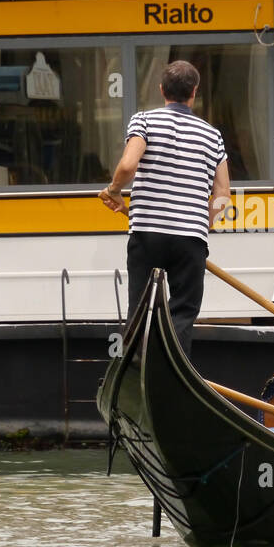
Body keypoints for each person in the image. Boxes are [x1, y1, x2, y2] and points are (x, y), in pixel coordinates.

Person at [99, 60, 231, 356]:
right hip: (190, 239)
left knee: (140, 308)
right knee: (182, 313)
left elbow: (128, 165)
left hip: (148, 234)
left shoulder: (143, 120)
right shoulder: (213, 135)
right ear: (194, 92)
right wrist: (203, 222)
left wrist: (113, 191)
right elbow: (223, 193)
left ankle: (134, 371)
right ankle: (174, 374)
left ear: (161, 90)